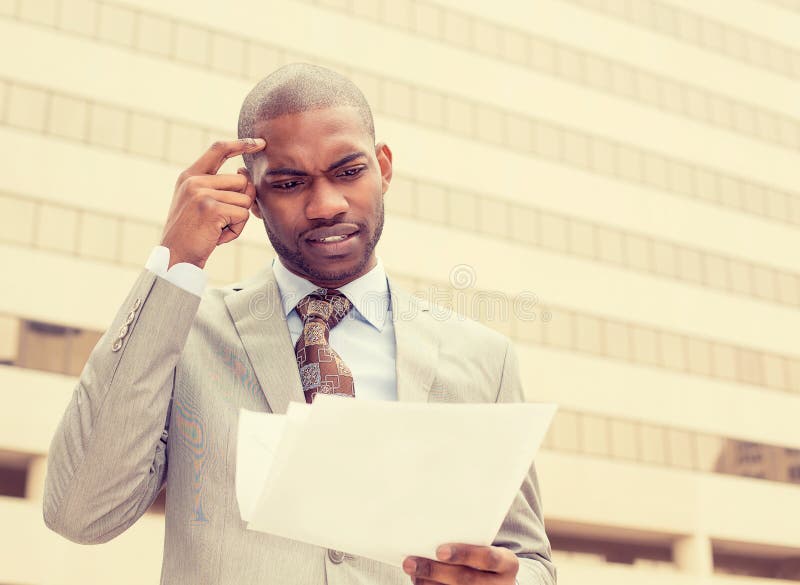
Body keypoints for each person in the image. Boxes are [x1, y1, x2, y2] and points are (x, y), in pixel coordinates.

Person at [43, 63, 556, 585]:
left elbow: (530, 560)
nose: (326, 205)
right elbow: (81, 514)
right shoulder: (184, 335)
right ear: (253, 195)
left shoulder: (483, 360)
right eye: (289, 183)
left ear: (384, 167)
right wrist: (176, 259)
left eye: (349, 172)